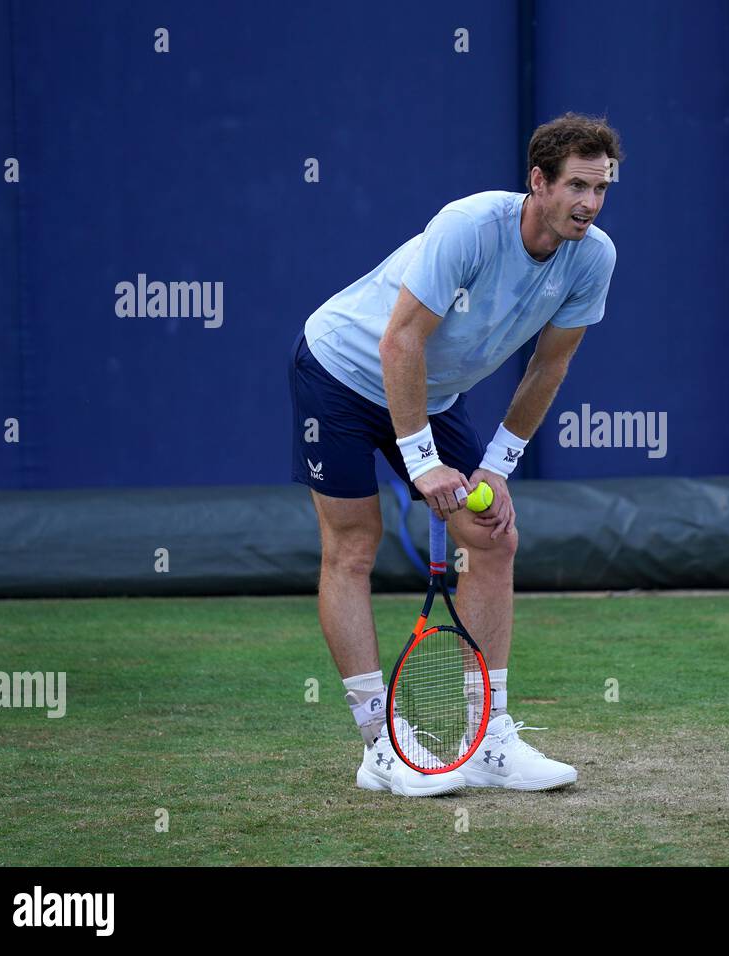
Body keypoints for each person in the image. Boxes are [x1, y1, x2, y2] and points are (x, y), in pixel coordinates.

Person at [288, 113, 620, 796]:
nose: (589, 203)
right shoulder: (469, 227)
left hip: (433, 393)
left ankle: (486, 739)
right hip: (341, 373)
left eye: (602, 188)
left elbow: (547, 370)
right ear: (539, 181)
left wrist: (495, 468)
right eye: (577, 186)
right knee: (353, 546)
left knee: (494, 536)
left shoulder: (594, 258)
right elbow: (399, 342)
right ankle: (380, 744)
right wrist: (421, 460)